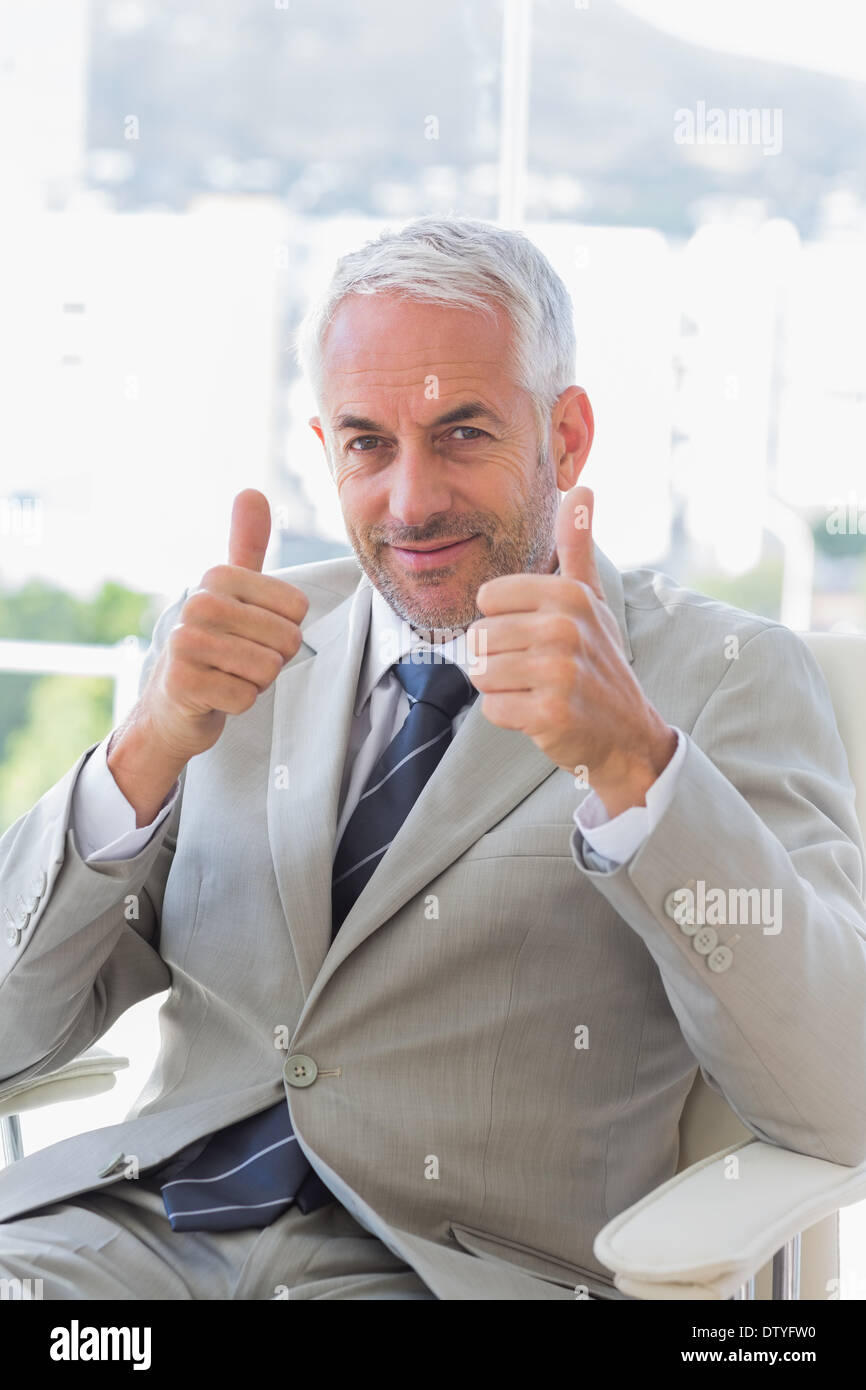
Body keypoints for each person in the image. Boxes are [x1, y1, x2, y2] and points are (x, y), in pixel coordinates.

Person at [1, 215, 864, 1301]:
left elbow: (839, 1094)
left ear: (566, 435)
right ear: (324, 452)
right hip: (120, 1240)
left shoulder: (726, 672)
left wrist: (640, 771)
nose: (410, 502)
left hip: (450, 1271)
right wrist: (141, 753)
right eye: (368, 443)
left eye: (461, 433)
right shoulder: (230, 644)